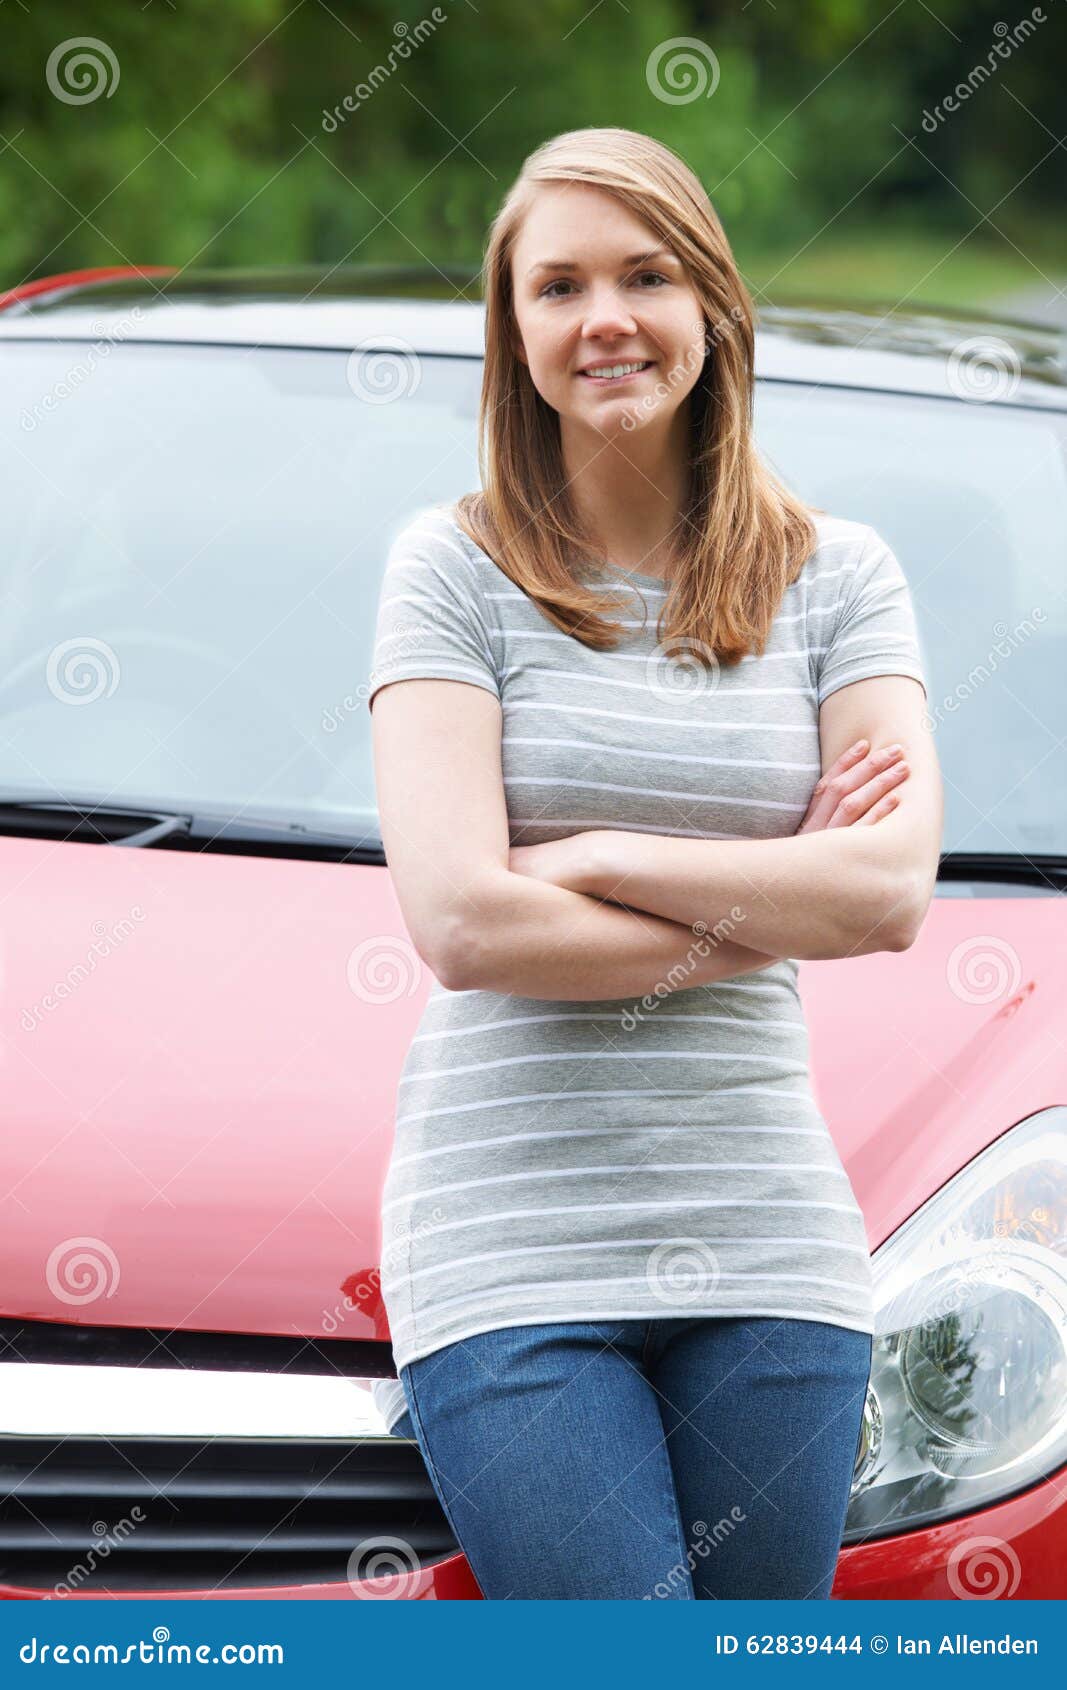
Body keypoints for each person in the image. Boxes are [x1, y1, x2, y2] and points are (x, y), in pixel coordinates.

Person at [366, 126, 943, 1599]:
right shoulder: (452, 568)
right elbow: (465, 922)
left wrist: (597, 850)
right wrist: (767, 895)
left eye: (645, 274)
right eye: (557, 285)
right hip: (511, 1248)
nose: (603, 316)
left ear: (713, 310)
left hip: (768, 1239)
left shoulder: (841, 577)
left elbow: (884, 891)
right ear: (516, 333)